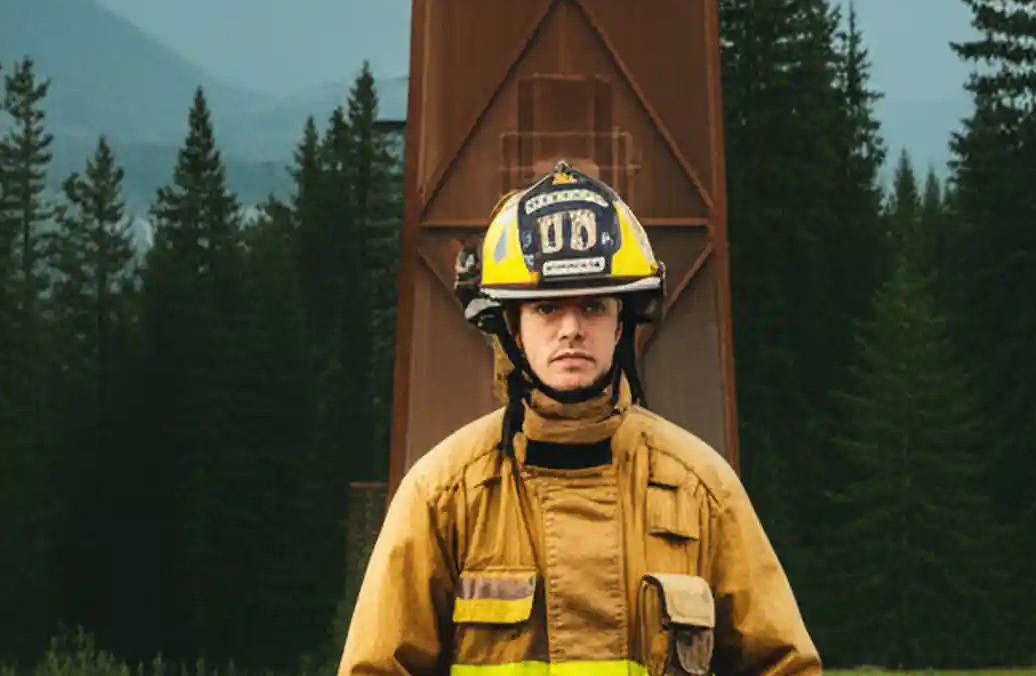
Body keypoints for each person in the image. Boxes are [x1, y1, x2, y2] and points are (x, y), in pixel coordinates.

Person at [337, 162, 821, 676]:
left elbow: (782, 666)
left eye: (593, 307)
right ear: (513, 329)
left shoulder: (702, 492)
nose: (571, 329)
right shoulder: (443, 496)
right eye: (546, 308)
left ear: (620, 327)